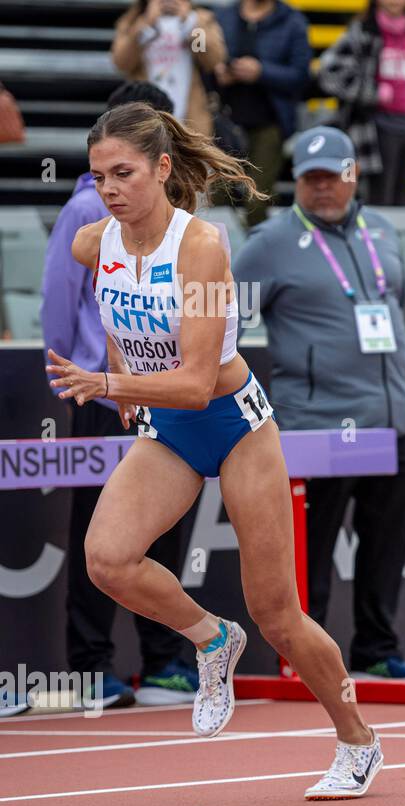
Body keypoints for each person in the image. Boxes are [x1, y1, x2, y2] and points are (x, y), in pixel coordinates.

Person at [47, 102, 383, 799]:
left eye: (123, 173)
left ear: (163, 169)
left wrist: (111, 381)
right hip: (166, 429)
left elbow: (199, 384)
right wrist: (122, 364)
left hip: (235, 424)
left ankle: (357, 739)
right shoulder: (92, 242)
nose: (108, 189)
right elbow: (115, 306)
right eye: (97, 176)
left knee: (278, 615)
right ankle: (209, 639)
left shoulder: (199, 245)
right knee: (107, 559)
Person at [233, 126, 405, 680]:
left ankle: (376, 648)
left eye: (331, 177)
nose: (320, 188)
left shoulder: (383, 230)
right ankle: (305, 656)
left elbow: (394, 308)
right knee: (310, 553)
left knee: (385, 548)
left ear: (353, 175)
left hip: (392, 419)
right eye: (308, 179)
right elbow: (222, 326)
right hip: (316, 428)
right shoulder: (270, 242)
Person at [41, 82, 198, 709]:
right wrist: (75, 375)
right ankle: (93, 666)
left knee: (160, 532)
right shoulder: (87, 213)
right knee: (99, 535)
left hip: (162, 398)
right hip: (99, 399)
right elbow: (58, 300)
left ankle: (164, 662)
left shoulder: (180, 217)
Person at [318, 0, 405, 206]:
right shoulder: (362, 30)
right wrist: (371, 92)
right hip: (376, 127)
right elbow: (328, 71)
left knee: (402, 197)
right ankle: (373, 238)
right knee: (379, 197)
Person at [212, 0, 312, 225]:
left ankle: (258, 256)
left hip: (269, 124)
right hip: (225, 123)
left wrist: (262, 72)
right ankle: (216, 257)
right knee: (216, 199)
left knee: (257, 202)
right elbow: (204, 61)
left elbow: (302, 77)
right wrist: (218, 71)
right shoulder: (223, 17)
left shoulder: (293, 21)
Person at [110, 0, 226, 138]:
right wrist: (145, 25)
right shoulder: (133, 20)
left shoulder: (199, 20)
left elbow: (211, 60)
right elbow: (122, 63)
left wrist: (190, 24)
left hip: (190, 116)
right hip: (146, 115)